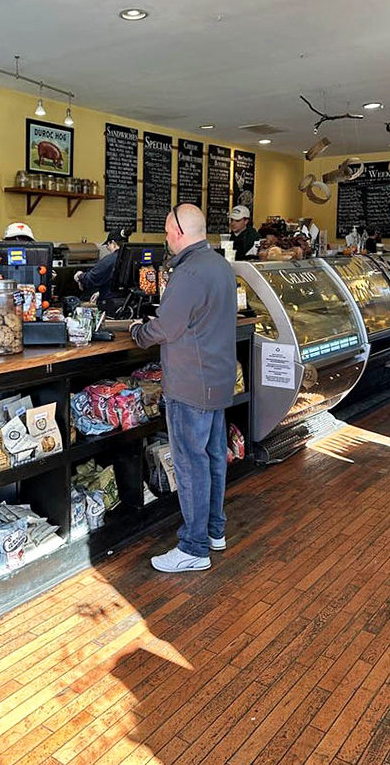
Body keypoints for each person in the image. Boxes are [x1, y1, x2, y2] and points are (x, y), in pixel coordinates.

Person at [130, 204, 237, 573]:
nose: (165, 238)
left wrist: (137, 332)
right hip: (217, 380)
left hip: (192, 383)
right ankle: (213, 531)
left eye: (165, 230)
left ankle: (193, 548)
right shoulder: (219, 264)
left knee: (191, 466)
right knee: (211, 459)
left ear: (176, 231)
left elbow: (164, 328)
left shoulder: (188, 272)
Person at [74, 227, 130, 305]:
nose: (108, 248)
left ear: (113, 243)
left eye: (108, 245)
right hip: (129, 302)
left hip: (112, 304)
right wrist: (101, 292)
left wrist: (80, 275)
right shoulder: (132, 258)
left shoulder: (110, 260)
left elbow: (92, 279)